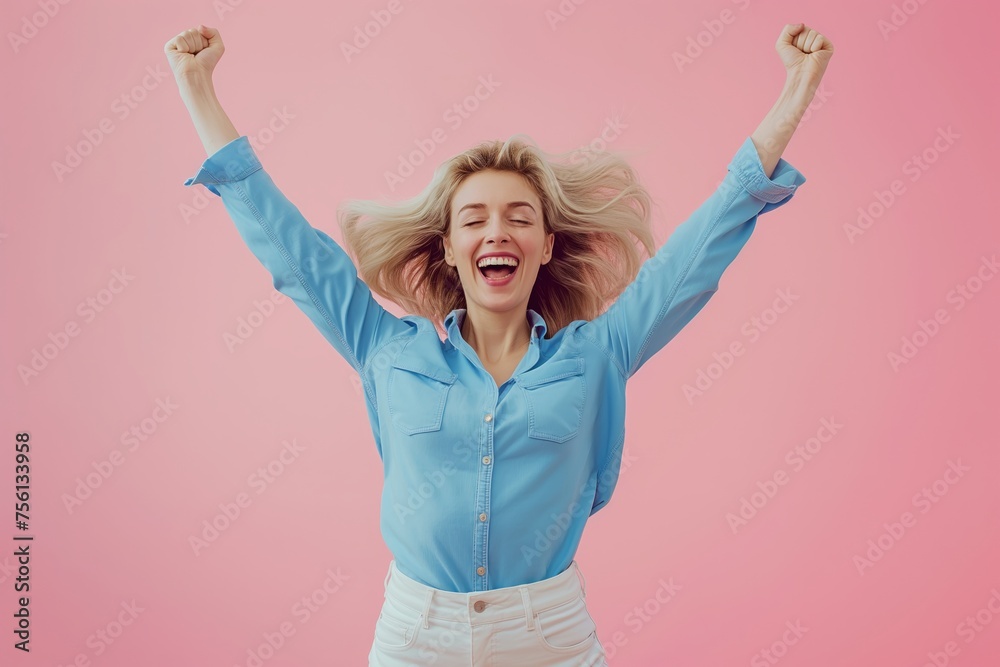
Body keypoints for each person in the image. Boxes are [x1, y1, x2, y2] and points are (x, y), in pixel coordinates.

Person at [164, 21, 833, 666]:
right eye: (474, 219)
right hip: (417, 635)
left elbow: (694, 258)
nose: (497, 233)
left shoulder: (595, 354)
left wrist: (796, 91)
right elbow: (294, 252)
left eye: (519, 218)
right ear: (450, 249)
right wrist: (198, 89)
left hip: (547, 635)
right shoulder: (385, 350)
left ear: (546, 246)